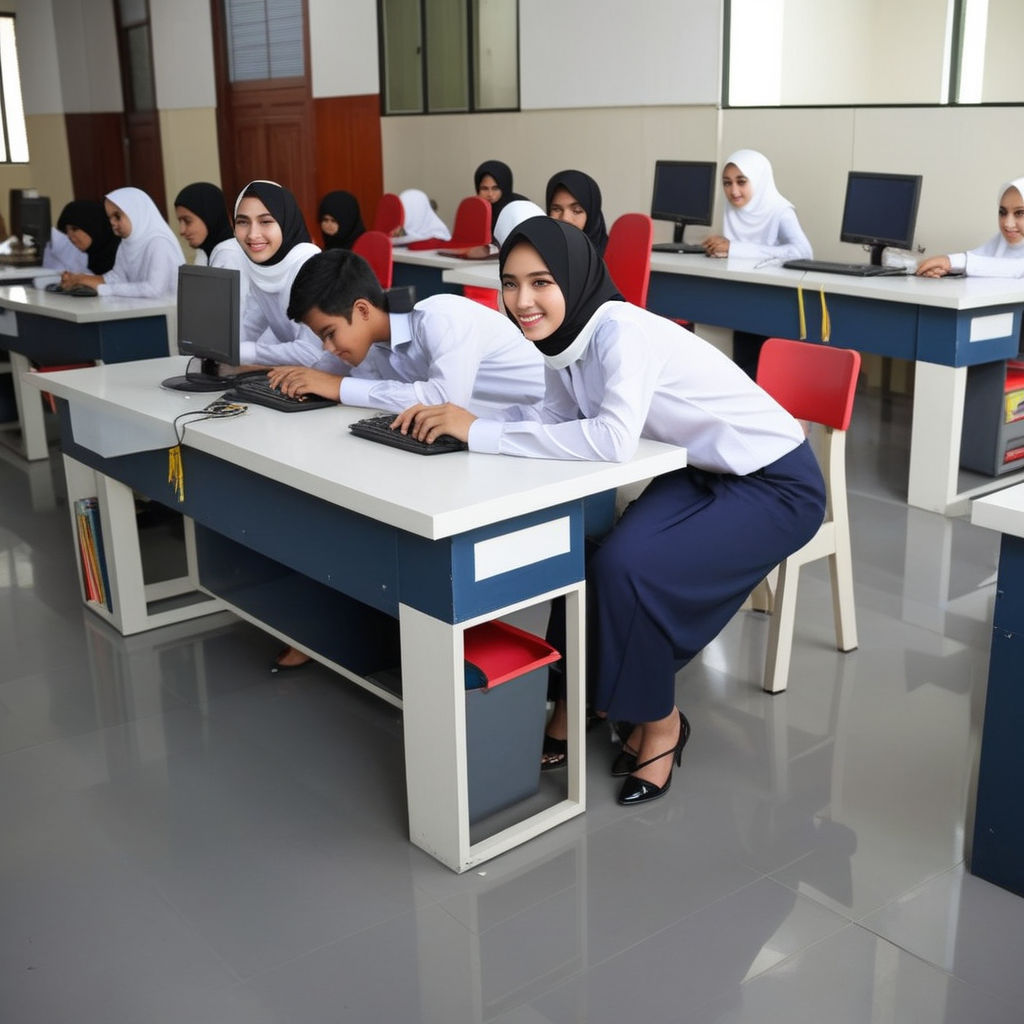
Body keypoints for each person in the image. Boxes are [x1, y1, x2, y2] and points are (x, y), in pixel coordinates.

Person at [392, 217, 825, 805]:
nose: (521, 300)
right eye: (510, 283)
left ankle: (661, 721)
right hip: (702, 469)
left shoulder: (619, 330)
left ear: (573, 278)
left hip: (775, 483)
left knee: (628, 567)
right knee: (596, 556)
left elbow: (613, 440)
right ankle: (581, 702)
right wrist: (468, 423)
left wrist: (481, 433)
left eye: (541, 282)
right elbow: (554, 417)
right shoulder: (563, 339)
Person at [265, 247, 546, 415]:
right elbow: (324, 374)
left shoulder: (442, 318)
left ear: (362, 310)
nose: (328, 346)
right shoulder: (369, 342)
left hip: (540, 425)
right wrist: (297, 379)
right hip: (487, 431)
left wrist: (337, 386)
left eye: (329, 334)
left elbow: (445, 400)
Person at [702, 150, 813, 377]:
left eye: (742, 182)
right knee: (742, 362)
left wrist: (735, 249)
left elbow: (803, 252)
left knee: (760, 367)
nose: (734, 191)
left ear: (759, 180)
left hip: (774, 299)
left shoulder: (780, 210)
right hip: (742, 295)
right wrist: (723, 247)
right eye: (727, 183)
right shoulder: (733, 209)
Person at [233, 180, 324, 367]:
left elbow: (312, 353)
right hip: (303, 375)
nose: (252, 234)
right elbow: (251, 325)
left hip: (349, 376)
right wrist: (223, 350)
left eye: (265, 221)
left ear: (286, 222)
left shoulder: (311, 266)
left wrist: (244, 352)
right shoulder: (261, 266)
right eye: (242, 222)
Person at [60, 187, 183, 297]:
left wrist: (103, 289)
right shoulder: (126, 243)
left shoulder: (159, 243)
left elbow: (154, 290)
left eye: (117, 216)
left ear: (135, 213)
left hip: (169, 313)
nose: (112, 223)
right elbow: (117, 278)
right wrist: (81, 279)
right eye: (110, 218)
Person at [917, 176, 1024, 278]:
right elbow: (977, 260)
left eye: (1020, 213)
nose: (1008, 224)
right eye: (1002, 212)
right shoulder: (1001, 242)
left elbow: (1017, 268)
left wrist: (950, 262)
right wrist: (944, 269)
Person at [173, 182, 245, 271]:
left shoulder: (230, 255)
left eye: (187, 221)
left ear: (210, 217)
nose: (182, 230)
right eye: (180, 221)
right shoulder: (204, 252)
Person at [45, 200, 119, 276]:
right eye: (66, 231)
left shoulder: (120, 253)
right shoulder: (93, 259)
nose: (70, 236)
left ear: (94, 226)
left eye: (75, 229)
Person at [546, 169, 609, 256]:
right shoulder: (538, 253)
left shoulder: (613, 257)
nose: (565, 218)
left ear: (592, 217)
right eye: (556, 209)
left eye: (576, 210)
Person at [474, 159, 528, 236]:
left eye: (495, 188)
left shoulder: (520, 209)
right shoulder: (473, 210)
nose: (490, 194)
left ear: (505, 188)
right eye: (484, 188)